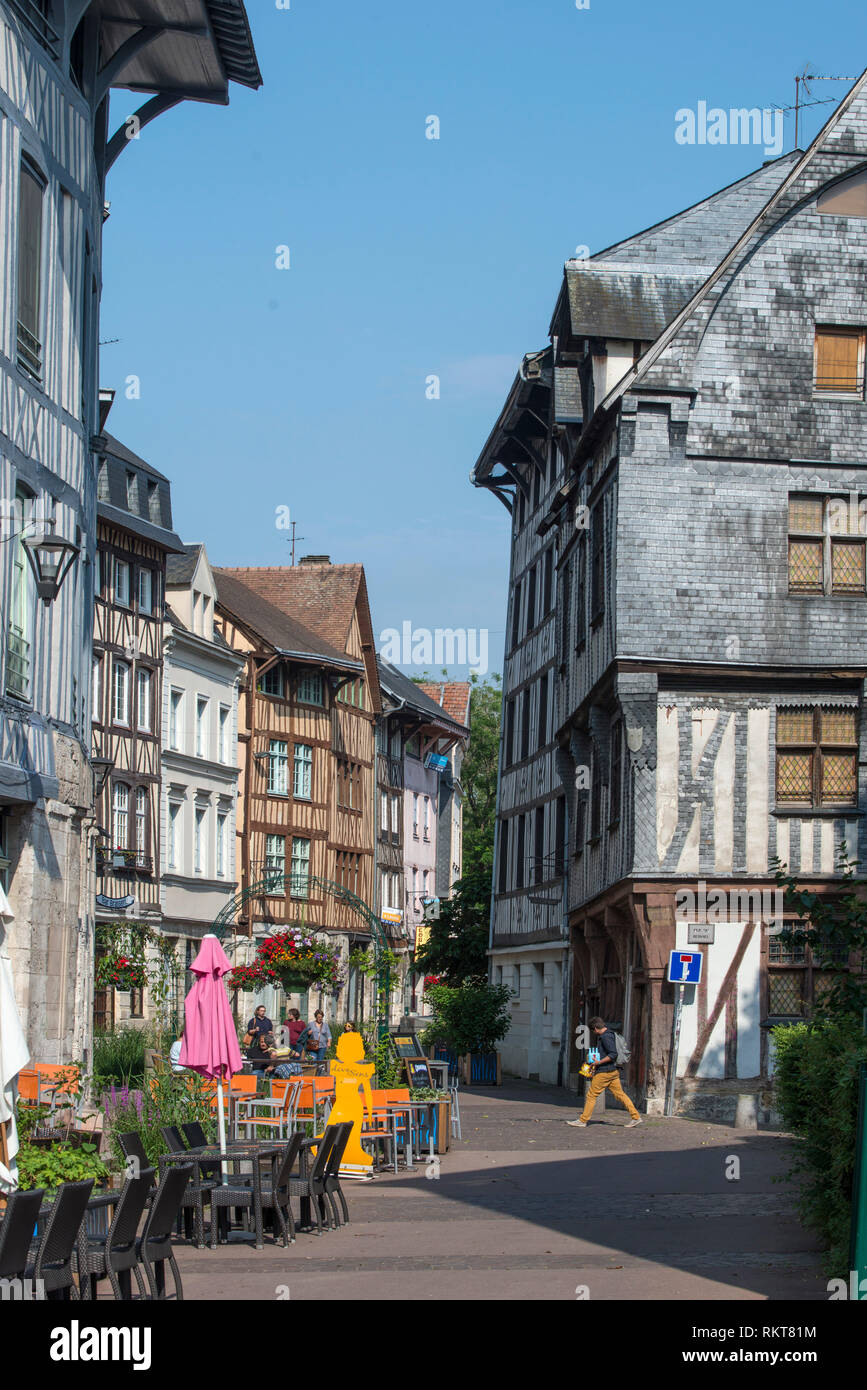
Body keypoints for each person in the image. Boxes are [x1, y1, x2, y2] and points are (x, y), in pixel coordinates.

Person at [567, 1017, 642, 1128]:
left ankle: (583, 1120)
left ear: (596, 1028)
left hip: (604, 1072)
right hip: (613, 1071)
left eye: (593, 1031)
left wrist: (598, 1062)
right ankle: (636, 1117)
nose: (594, 1033)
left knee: (591, 1095)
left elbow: (613, 1054)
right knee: (620, 1095)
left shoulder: (605, 1037)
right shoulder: (611, 1033)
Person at [306, 1009, 331, 1075]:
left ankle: (318, 1076)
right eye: (318, 1017)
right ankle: (313, 1075)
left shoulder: (325, 1025)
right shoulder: (310, 1024)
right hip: (312, 1045)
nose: (320, 1018)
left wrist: (329, 1042)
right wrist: (308, 1033)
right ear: (316, 1017)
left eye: (321, 1017)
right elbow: (306, 1034)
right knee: (313, 1061)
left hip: (322, 1046)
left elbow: (329, 1035)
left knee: (320, 1063)